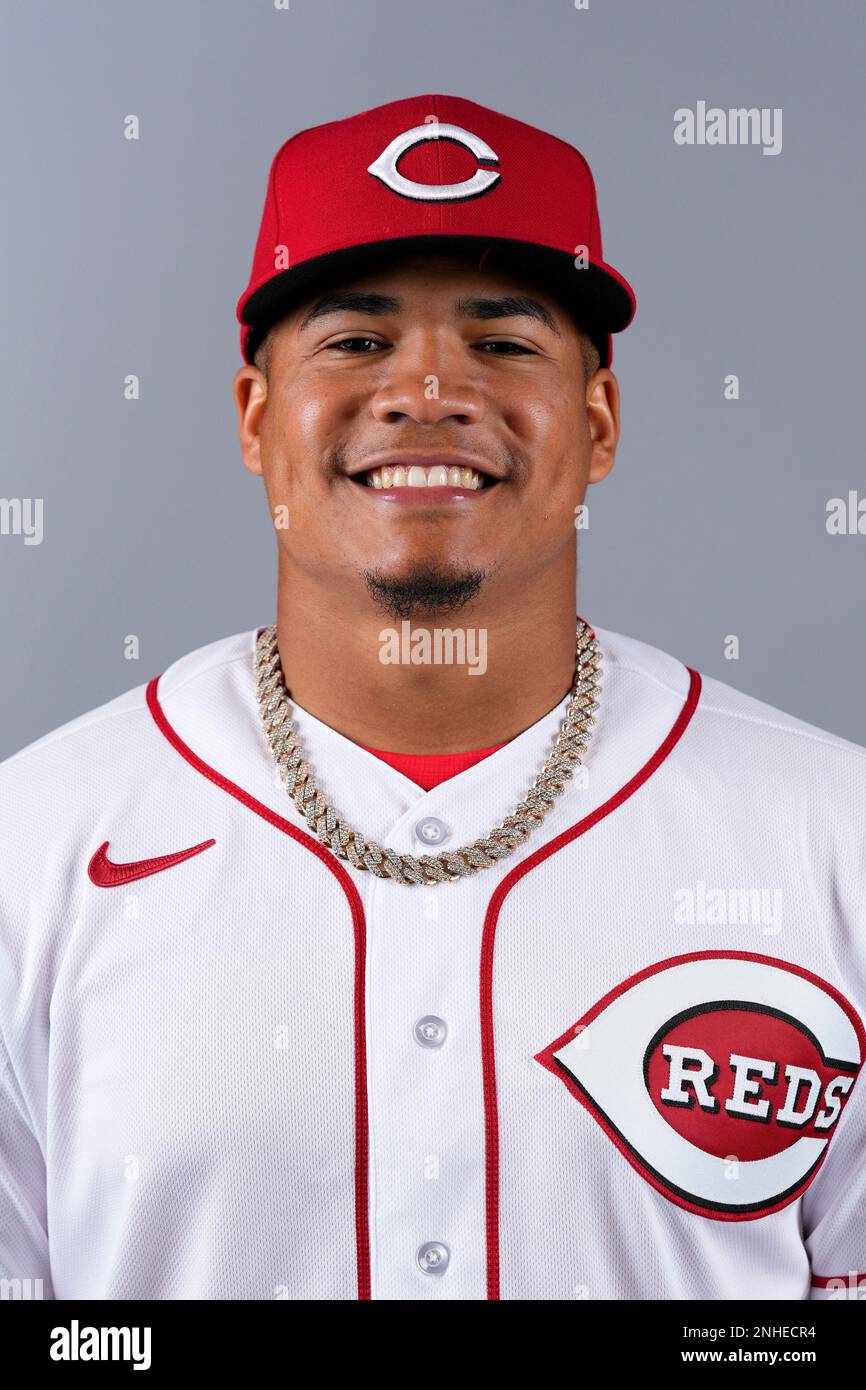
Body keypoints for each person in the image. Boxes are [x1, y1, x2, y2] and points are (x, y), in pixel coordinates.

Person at [1, 95, 863, 1302]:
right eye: (354, 340)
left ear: (598, 421)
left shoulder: (831, 837)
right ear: (256, 420)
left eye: (502, 342)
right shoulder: (32, 844)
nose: (424, 390)